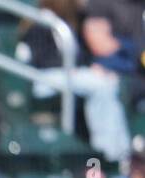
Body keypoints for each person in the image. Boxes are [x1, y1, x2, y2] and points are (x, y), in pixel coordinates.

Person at [17, 0, 133, 160]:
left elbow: (83, 57)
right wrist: (77, 70)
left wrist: (94, 68)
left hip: (70, 77)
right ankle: (110, 152)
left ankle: (121, 151)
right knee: (100, 85)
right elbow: (41, 61)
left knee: (106, 82)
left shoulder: (72, 24)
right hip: (43, 80)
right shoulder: (41, 22)